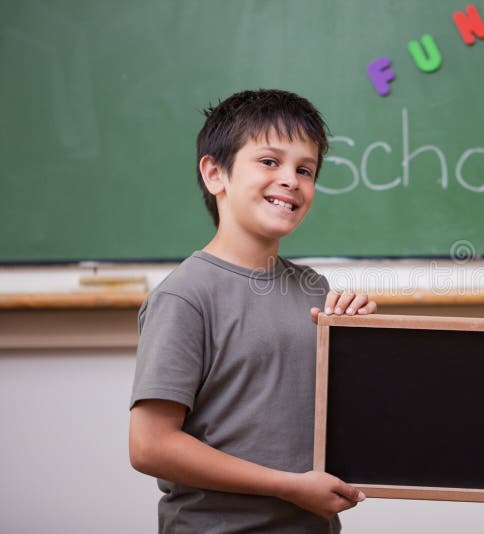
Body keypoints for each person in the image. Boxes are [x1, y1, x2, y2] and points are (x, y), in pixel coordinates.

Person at [129, 89, 377, 533]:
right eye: (269, 162)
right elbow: (151, 446)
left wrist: (362, 342)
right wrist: (288, 486)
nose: (290, 180)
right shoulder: (186, 296)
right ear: (215, 173)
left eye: (305, 170)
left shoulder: (314, 289)